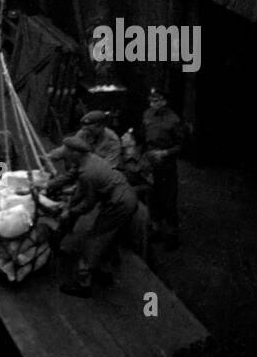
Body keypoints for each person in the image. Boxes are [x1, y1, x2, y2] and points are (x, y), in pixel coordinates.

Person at [58, 135, 145, 297]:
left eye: (67, 151)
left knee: (93, 239)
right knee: (109, 237)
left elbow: (88, 203)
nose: (65, 154)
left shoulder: (88, 173)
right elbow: (76, 181)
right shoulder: (90, 159)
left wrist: (70, 212)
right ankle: (104, 271)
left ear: (75, 153)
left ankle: (83, 284)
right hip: (127, 197)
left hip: (118, 204)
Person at [139, 87, 184, 248]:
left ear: (164, 101)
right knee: (153, 197)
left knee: (168, 199)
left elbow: (182, 146)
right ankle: (156, 229)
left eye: (156, 100)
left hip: (166, 165)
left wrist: (164, 153)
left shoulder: (174, 120)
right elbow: (144, 136)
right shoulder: (147, 115)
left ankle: (172, 234)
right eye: (151, 100)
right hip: (151, 163)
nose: (153, 103)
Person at [48, 109, 122, 169]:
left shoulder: (113, 141)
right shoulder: (84, 133)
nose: (85, 131)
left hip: (100, 176)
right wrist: (50, 156)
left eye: (89, 129)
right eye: (84, 128)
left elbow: (109, 166)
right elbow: (69, 147)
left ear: (101, 126)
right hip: (82, 169)